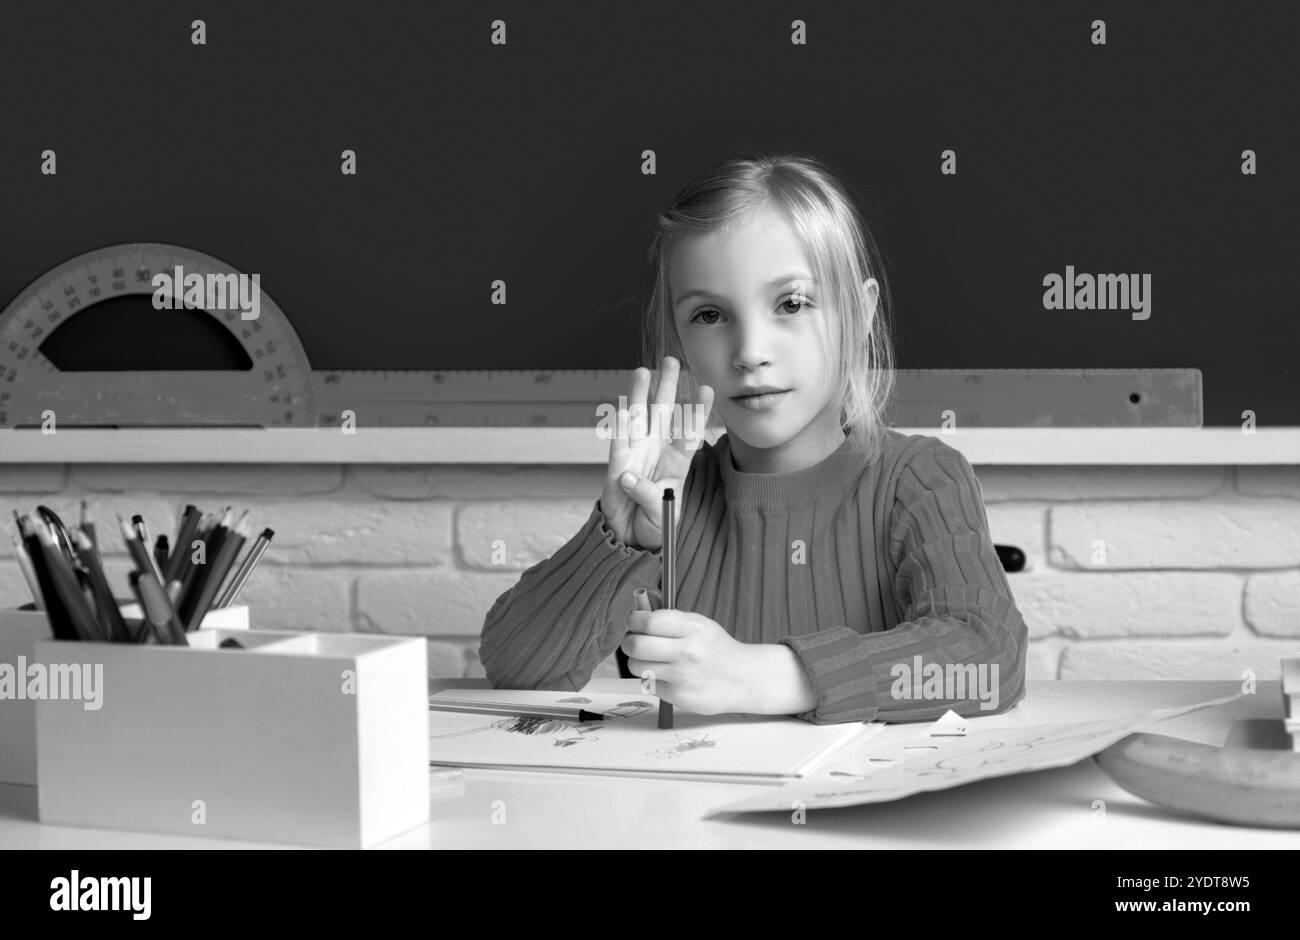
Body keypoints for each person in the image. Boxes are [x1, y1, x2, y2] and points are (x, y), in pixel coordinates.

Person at [479, 152, 1027, 724]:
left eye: (791, 304)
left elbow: (987, 663)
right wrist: (617, 541)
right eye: (710, 315)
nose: (749, 353)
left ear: (859, 316)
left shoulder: (919, 477)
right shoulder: (672, 500)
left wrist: (764, 677)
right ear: (679, 339)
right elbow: (517, 673)